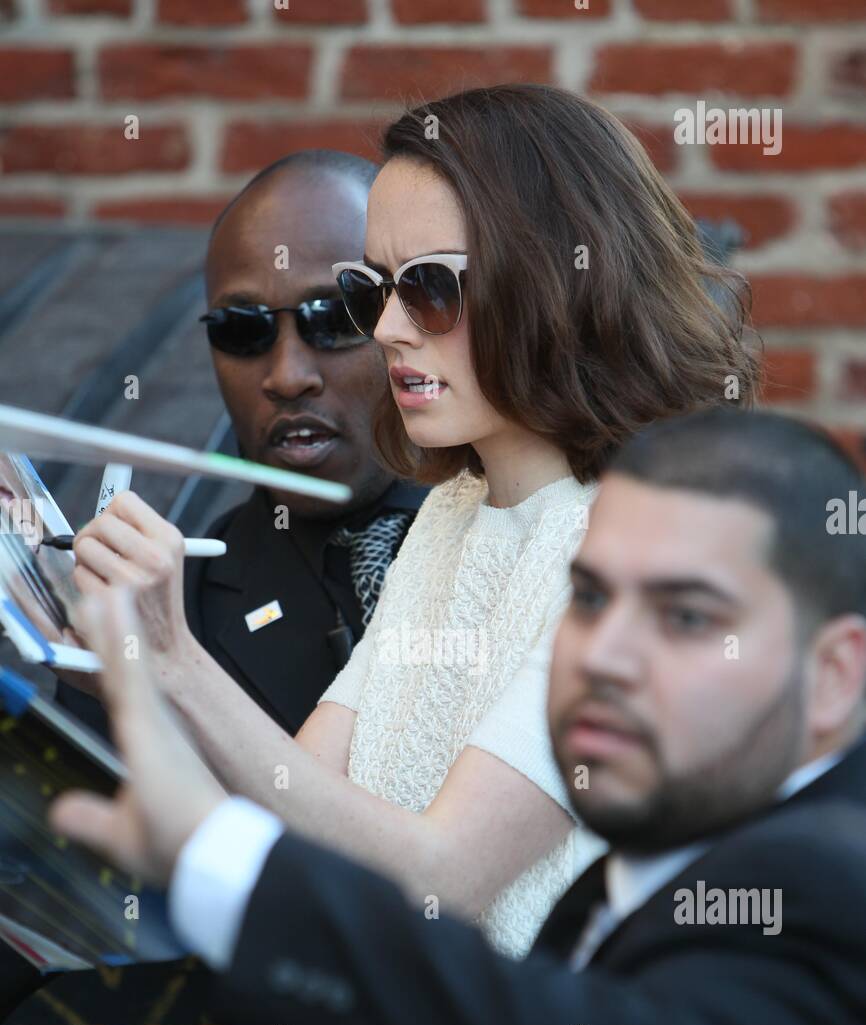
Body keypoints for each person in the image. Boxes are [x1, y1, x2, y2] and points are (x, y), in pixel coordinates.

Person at [51, 407, 866, 1025]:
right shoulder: (638, 871)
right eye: (589, 598)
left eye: (686, 616)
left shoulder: (830, 892)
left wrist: (226, 861)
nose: (604, 655)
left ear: (832, 678)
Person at [67, 84, 759, 960]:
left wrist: (172, 659)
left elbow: (444, 876)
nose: (388, 328)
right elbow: (291, 805)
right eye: (373, 289)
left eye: (427, 287)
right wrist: (110, 654)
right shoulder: (454, 515)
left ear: (552, 284)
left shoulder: (636, 549)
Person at [58, 148, 427, 742]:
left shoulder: (537, 537)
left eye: (333, 319)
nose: (286, 375)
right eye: (243, 329)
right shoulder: (164, 604)